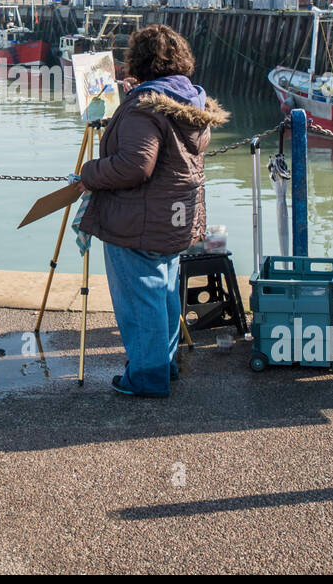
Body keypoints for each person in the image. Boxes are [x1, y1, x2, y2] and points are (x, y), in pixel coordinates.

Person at [77, 24, 228, 396]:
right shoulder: (189, 100)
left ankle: (146, 377)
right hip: (176, 217)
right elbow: (167, 142)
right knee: (163, 292)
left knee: (140, 298)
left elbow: (136, 164)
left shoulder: (144, 109)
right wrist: (136, 98)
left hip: (139, 221)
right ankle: (164, 363)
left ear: (138, 61)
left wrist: (88, 173)